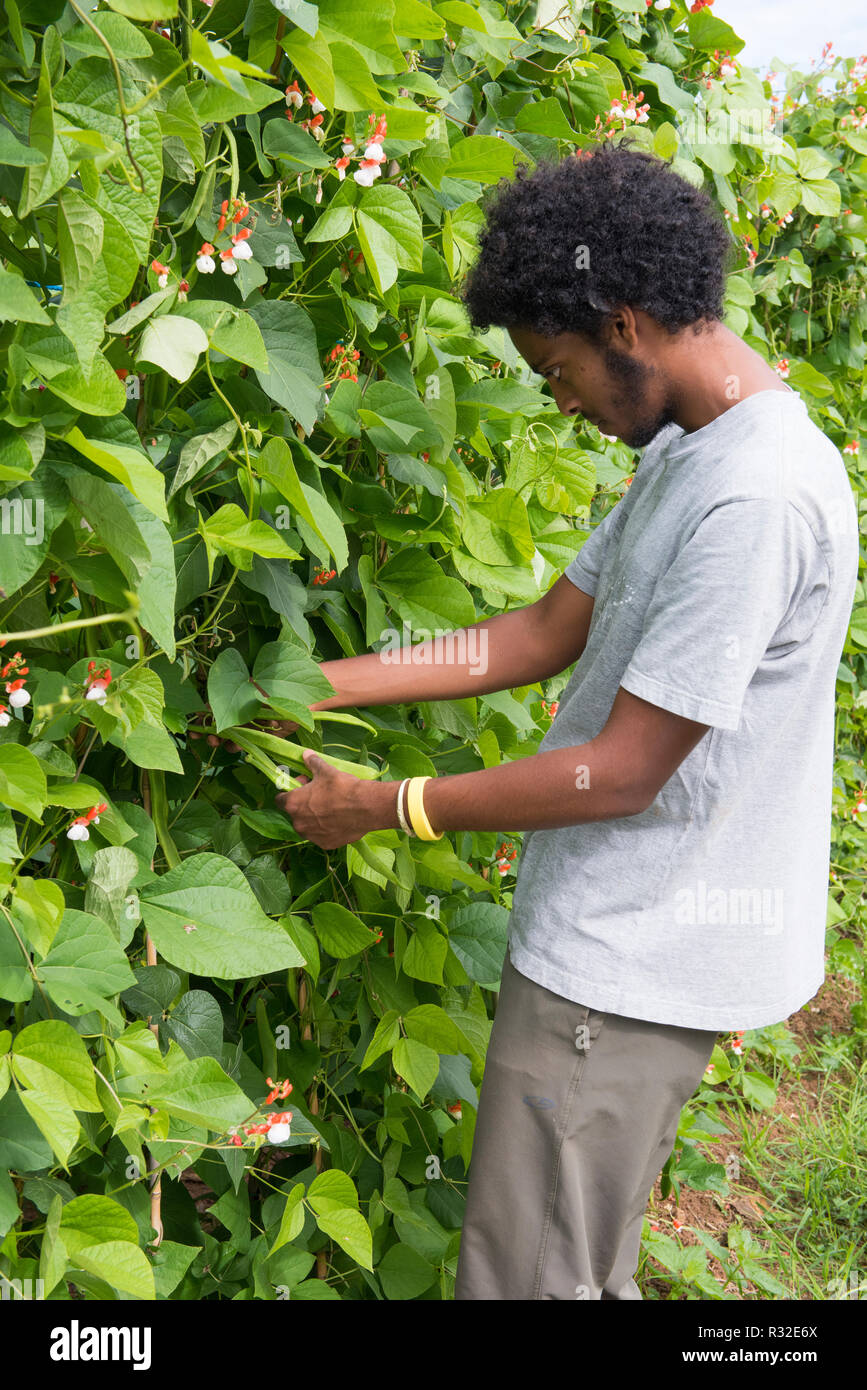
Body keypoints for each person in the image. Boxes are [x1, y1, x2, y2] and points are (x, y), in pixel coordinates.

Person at [211, 145, 860, 1299]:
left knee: (533, 1278)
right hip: (614, 940)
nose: (556, 398)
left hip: (626, 970)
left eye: (556, 368)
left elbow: (618, 774)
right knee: (563, 1260)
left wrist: (385, 806)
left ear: (625, 322)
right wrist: (326, 683)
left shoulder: (755, 497)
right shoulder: (689, 449)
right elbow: (539, 631)